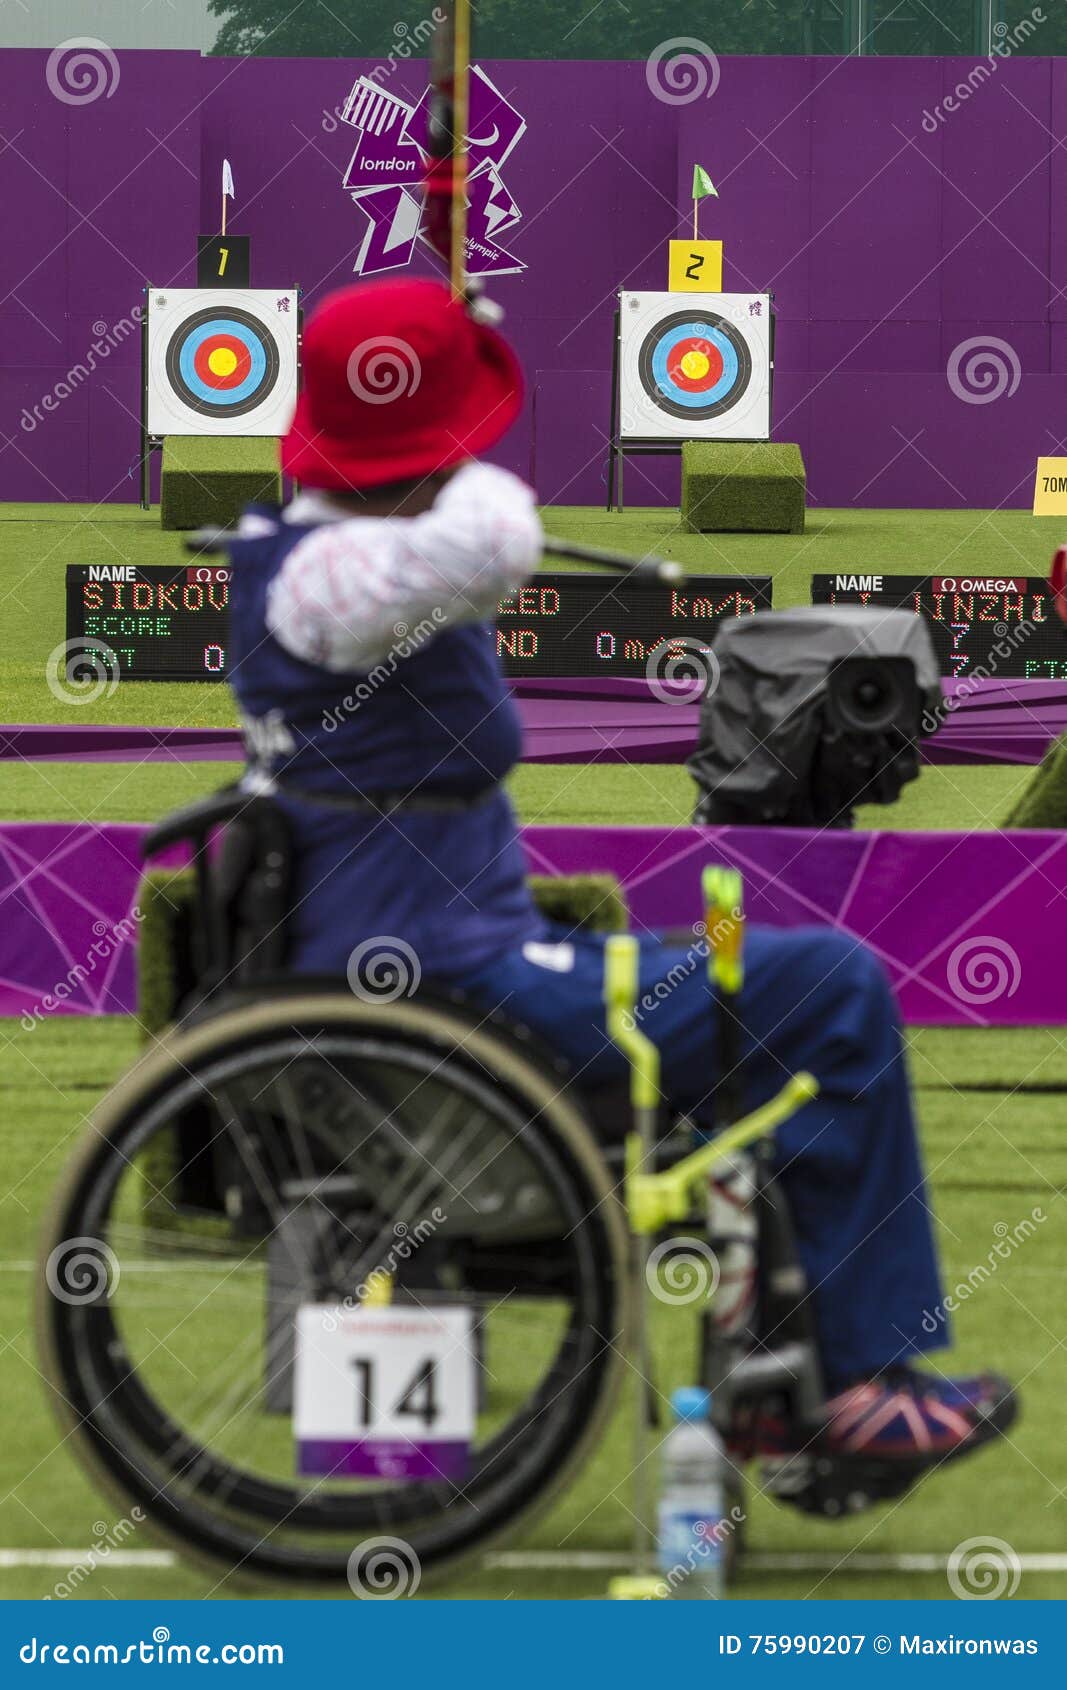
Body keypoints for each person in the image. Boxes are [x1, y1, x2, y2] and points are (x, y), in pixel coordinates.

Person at [225, 277, 1016, 1471]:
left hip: (441, 963)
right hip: (450, 983)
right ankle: (856, 1380)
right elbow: (492, 537)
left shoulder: (317, 552)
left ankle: (784, 1371)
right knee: (833, 990)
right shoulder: (332, 576)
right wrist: (447, 385)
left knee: (767, 986)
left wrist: (432, 380)